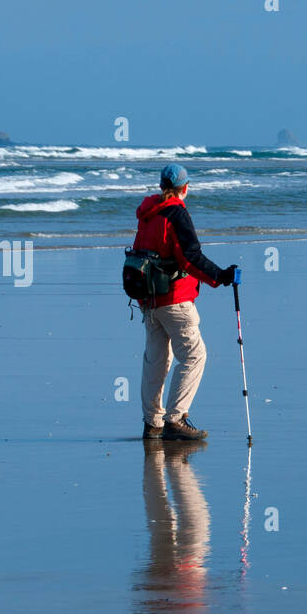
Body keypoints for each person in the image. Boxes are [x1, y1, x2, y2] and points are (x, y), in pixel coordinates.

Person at [132, 163, 237, 440]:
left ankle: (152, 424)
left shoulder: (147, 214)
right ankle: (175, 420)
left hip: (148, 299)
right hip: (175, 299)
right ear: (185, 188)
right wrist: (221, 276)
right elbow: (190, 258)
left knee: (156, 360)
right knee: (194, 355)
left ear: (160, 186)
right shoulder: (176, 213)